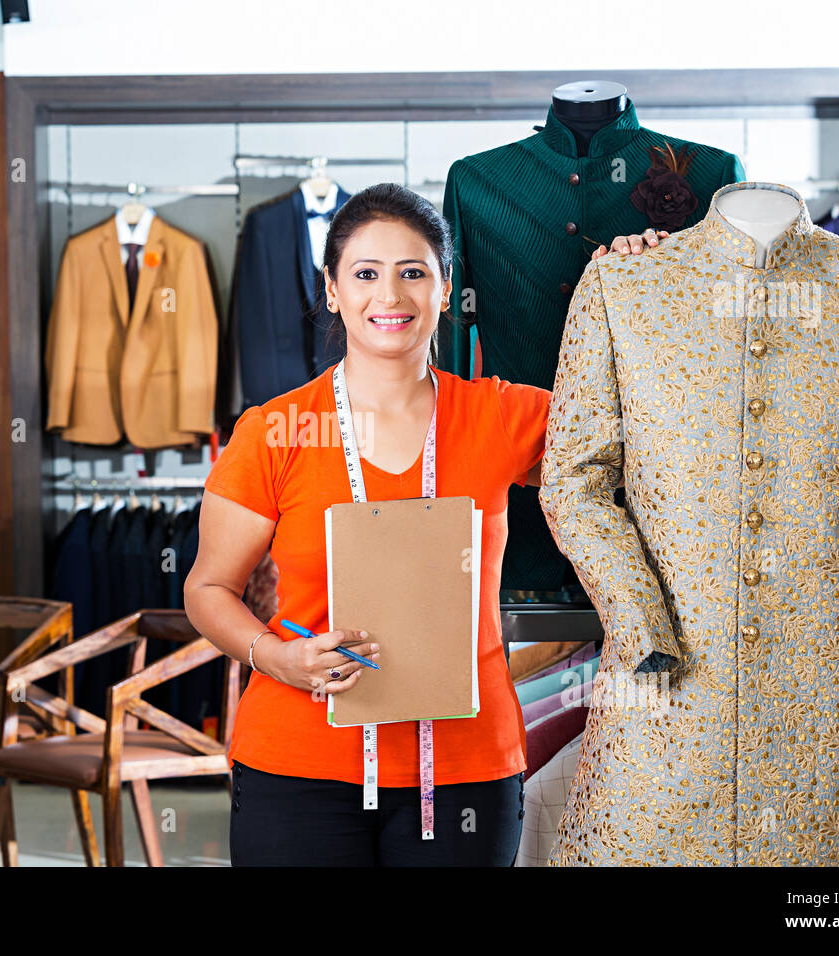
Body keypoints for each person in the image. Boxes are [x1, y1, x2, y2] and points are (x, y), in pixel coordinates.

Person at [184, 181, 665, 866]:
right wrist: (279, 658)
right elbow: (207, 590)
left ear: (445, 290)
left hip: (467, 767)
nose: (390, 296)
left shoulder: (504, 417)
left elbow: (642, 428)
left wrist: (648, 287)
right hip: (298, 765)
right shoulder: (274, 432)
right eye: (366, 274)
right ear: (332, 290)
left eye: (414, 273)